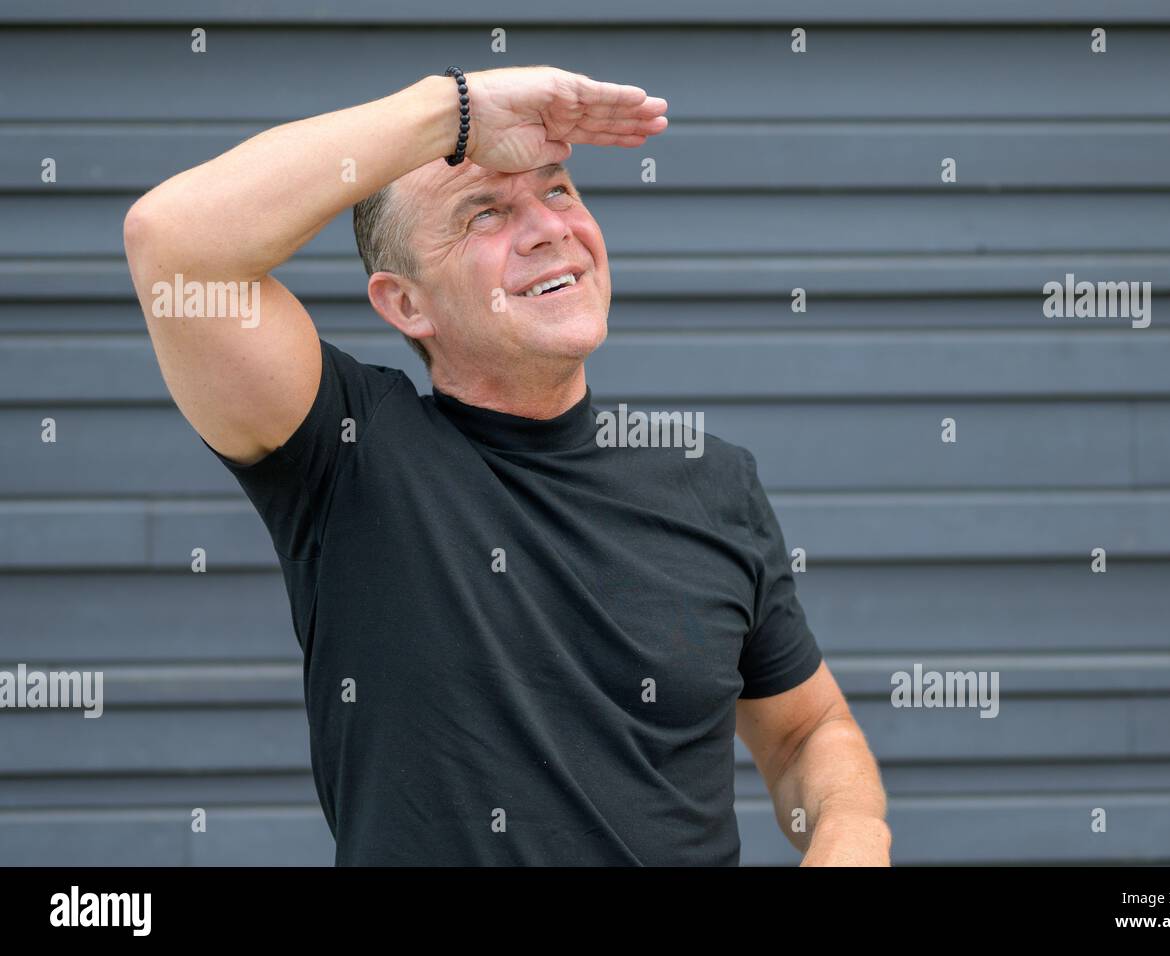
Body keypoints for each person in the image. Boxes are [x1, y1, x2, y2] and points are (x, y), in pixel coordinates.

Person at [123, 65, 890, 866]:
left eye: (557, 191)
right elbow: (172, 245)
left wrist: (851, 830)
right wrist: (454, 109)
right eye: (483, 211)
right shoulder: (349, 456)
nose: (547, 228)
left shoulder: (710, 479)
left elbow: (807, 731)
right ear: (405, 304)